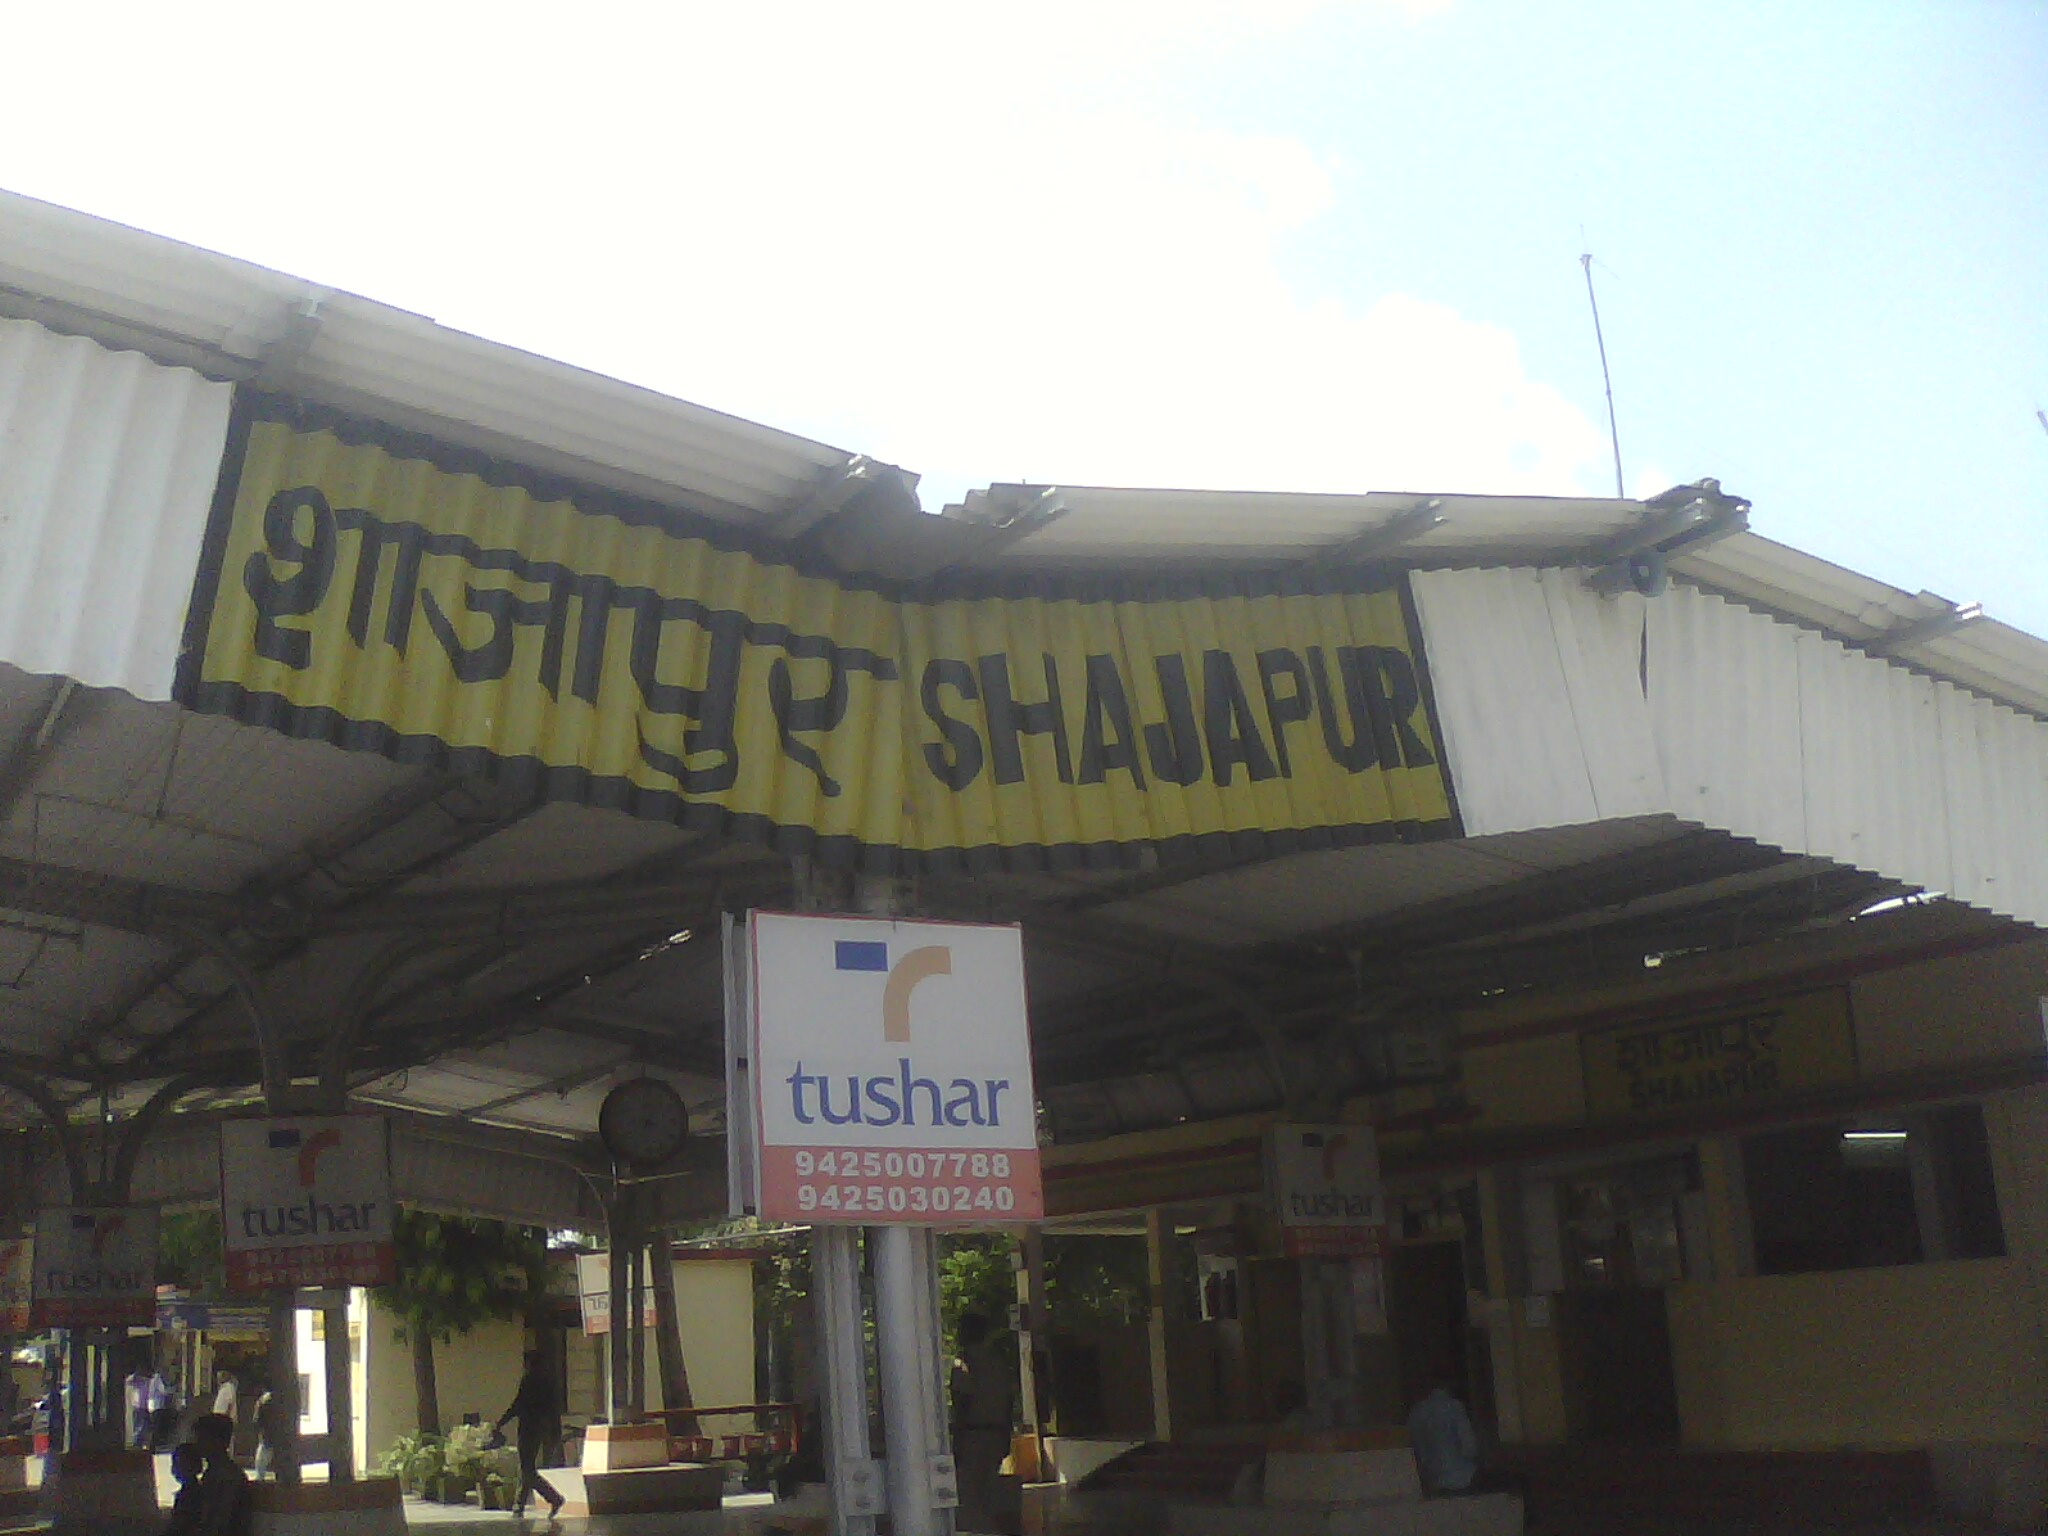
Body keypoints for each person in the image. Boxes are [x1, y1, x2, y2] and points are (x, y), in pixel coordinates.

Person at [948, 1312, 1014, 1535]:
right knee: (989, 1495)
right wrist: (1006, 1436)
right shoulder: (998, 1362)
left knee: (969, 1498)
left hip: (972, 1434)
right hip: (996, 1434)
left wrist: (957, 1439)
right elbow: (1008, 1401)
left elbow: (962, 1401)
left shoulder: (964, 1362)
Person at [494, 1349, 564, 1519]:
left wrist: (502, 1422)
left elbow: (518, 1404)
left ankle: (554, 1498)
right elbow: (554, 1408)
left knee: (527, 1469)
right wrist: (555, 1429)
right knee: (526, 1467)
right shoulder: (548, 1382)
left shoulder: (531, 1380)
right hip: (539, 1428)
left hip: (528, 1428)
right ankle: (519, 1505)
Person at [1406, 1381, 1478, 1495]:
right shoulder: (1455, 1407)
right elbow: (1468, 1444)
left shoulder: (1417, 1411)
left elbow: (1416, 1446)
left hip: (1432, 1478)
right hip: (1460, 1476)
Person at [191, 1412, 252, 1536]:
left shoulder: (227, 1476)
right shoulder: (216, 1472)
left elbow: (219, 1522)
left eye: (201, 1439)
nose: (196, 1444)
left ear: (218, 1441)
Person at [160, 1442, 206, 1536]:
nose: (173, 1470)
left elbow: (180, 1527)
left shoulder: (189, 1496)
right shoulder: (193, 1491)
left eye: (177, 1463)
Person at [127, 1366, 153, 1448]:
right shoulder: (138, 1381)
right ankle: (137, 1443)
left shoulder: (149, 1381)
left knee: (145, 1426)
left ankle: (143, 1443)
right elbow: (128, 1381)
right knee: (138, 1426)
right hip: (139, 1407)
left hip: (146, 1407)